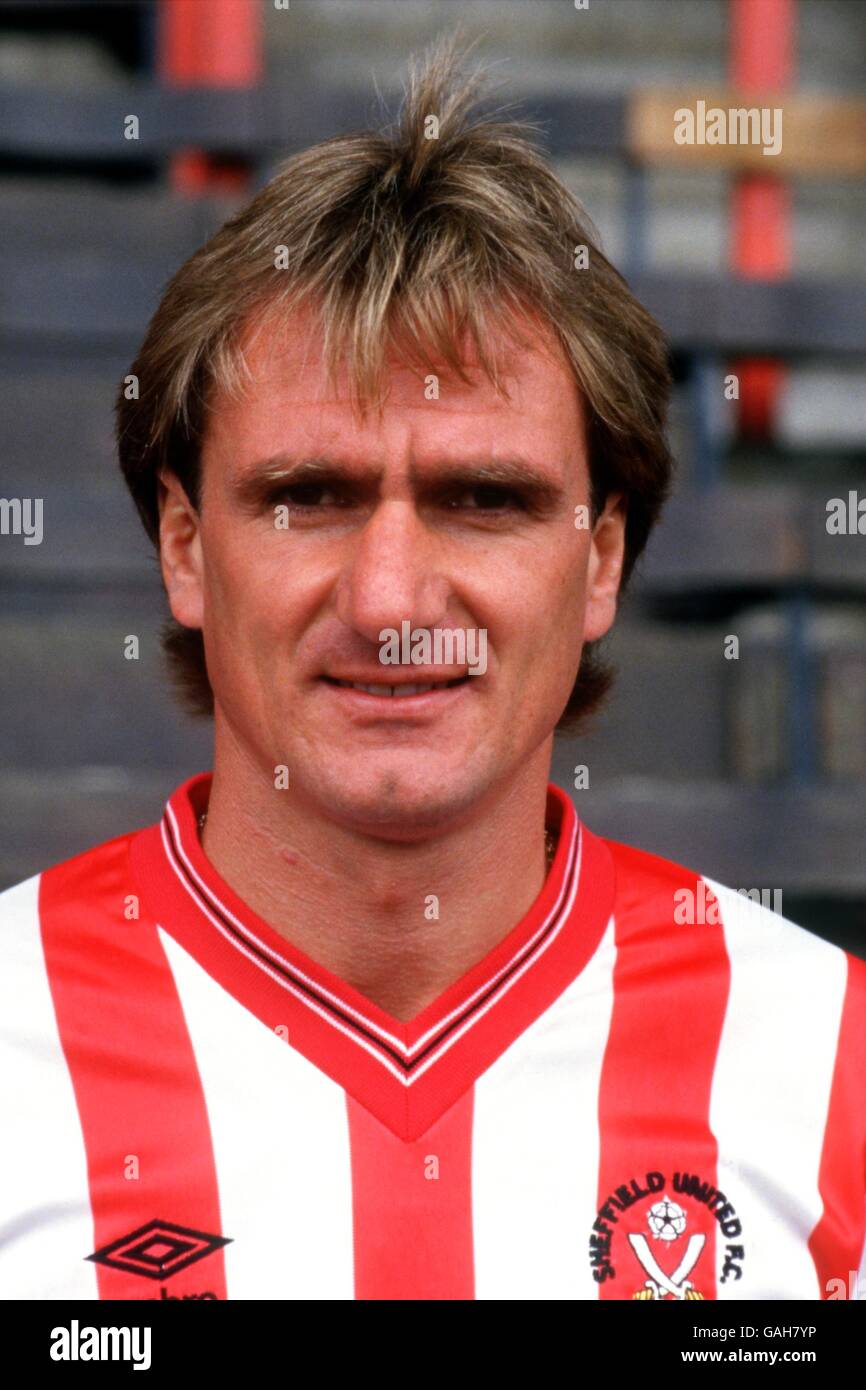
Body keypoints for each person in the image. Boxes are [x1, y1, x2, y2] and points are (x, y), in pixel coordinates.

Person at [2, 38, 864, 1302]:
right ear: (184, 549)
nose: (391, 599)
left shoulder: (827, 1060)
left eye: (483, 498)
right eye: (308, 495)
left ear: (600, 560)